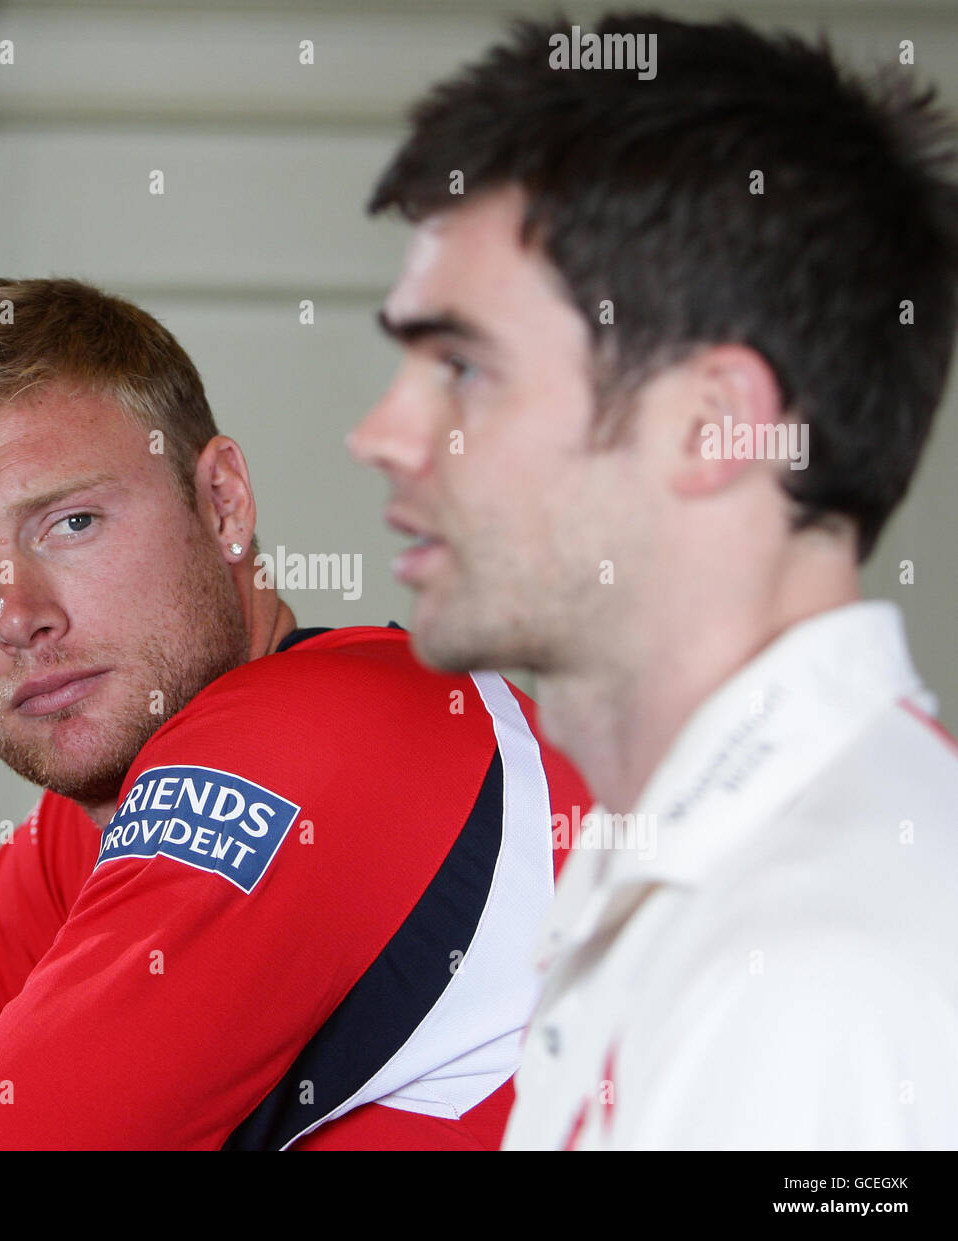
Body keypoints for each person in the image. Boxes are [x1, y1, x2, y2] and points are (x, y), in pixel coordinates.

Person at [0, 276, 590, 1150]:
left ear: (224, 500)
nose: (16, 614)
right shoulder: (89, 827)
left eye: (71, 522)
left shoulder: (306, 742)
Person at [349, 13, 958, 1149]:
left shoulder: (818, 975)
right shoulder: (700, 876)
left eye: (462, 365)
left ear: (713, 425)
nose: (382, 431)